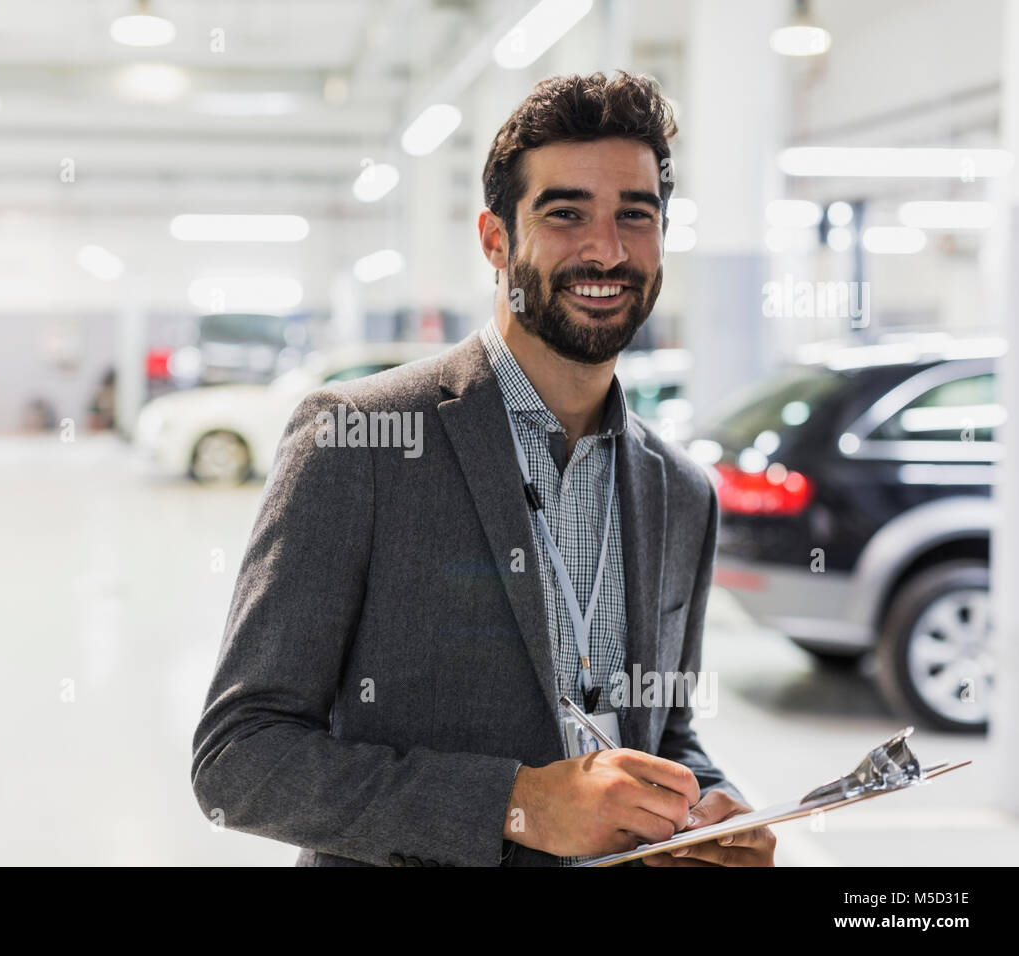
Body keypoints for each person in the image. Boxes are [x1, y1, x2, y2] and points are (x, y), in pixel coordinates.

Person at [191, 71, 775, 867]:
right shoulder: (360, 440)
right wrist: (516, 805)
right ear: (496, 240)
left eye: (634, 216)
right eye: (565, 213)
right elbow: (239, 760)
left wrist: (707, 805)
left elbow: (664, 729)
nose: (606, 249)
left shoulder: (680, 492)